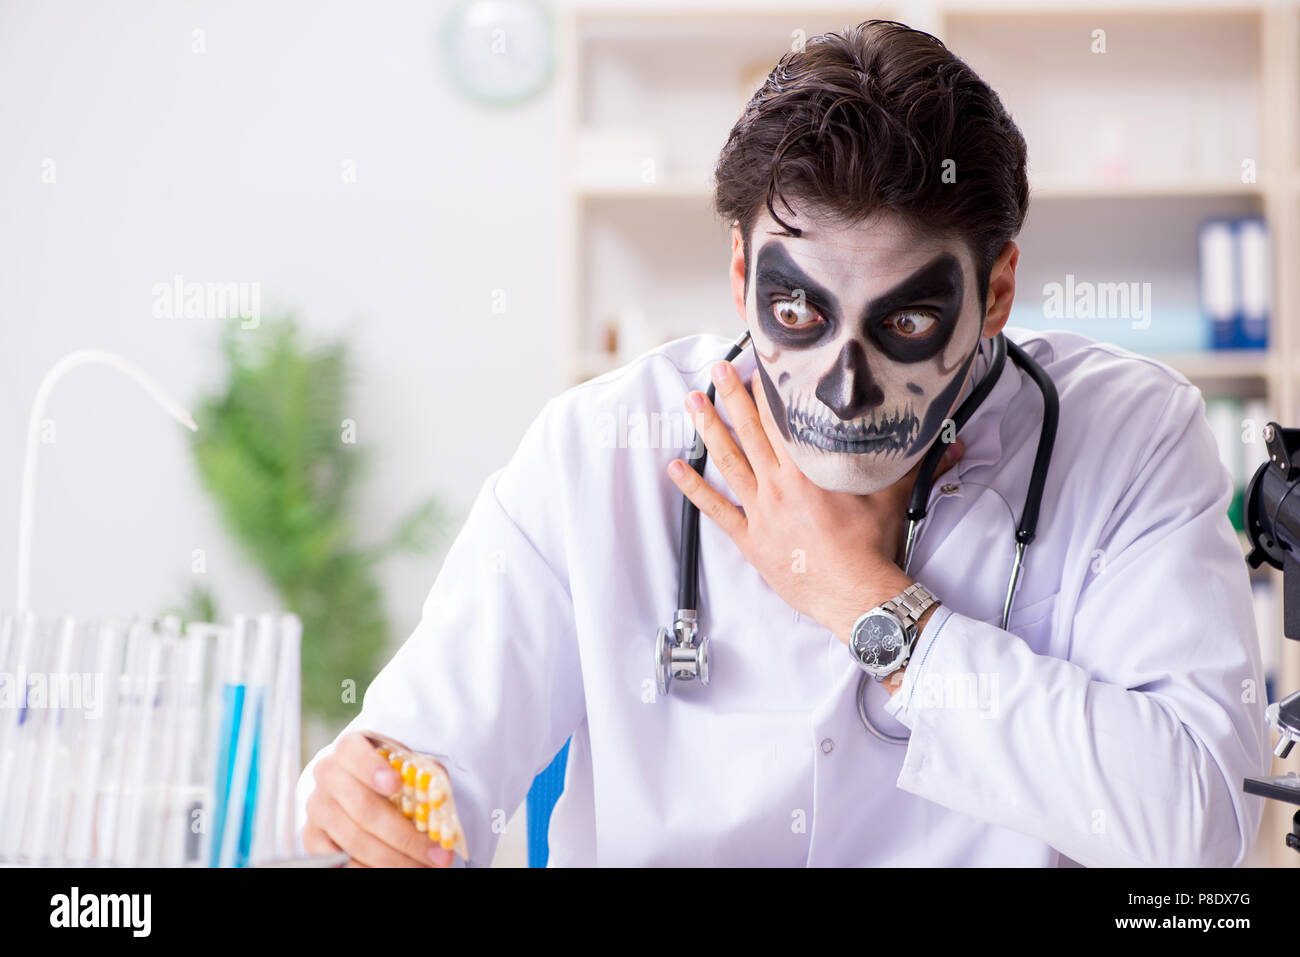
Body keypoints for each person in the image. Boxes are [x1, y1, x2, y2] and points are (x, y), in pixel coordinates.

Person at [295, 19, 1271, 867]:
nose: (845, 392)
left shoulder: (1127, 435)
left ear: (997, 292)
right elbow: (417, 776)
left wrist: (866, 603)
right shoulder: (598, 453)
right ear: (738, 272)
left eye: (905, 325)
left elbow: (1196, 824)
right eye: (798, 310)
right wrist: (358, 804)